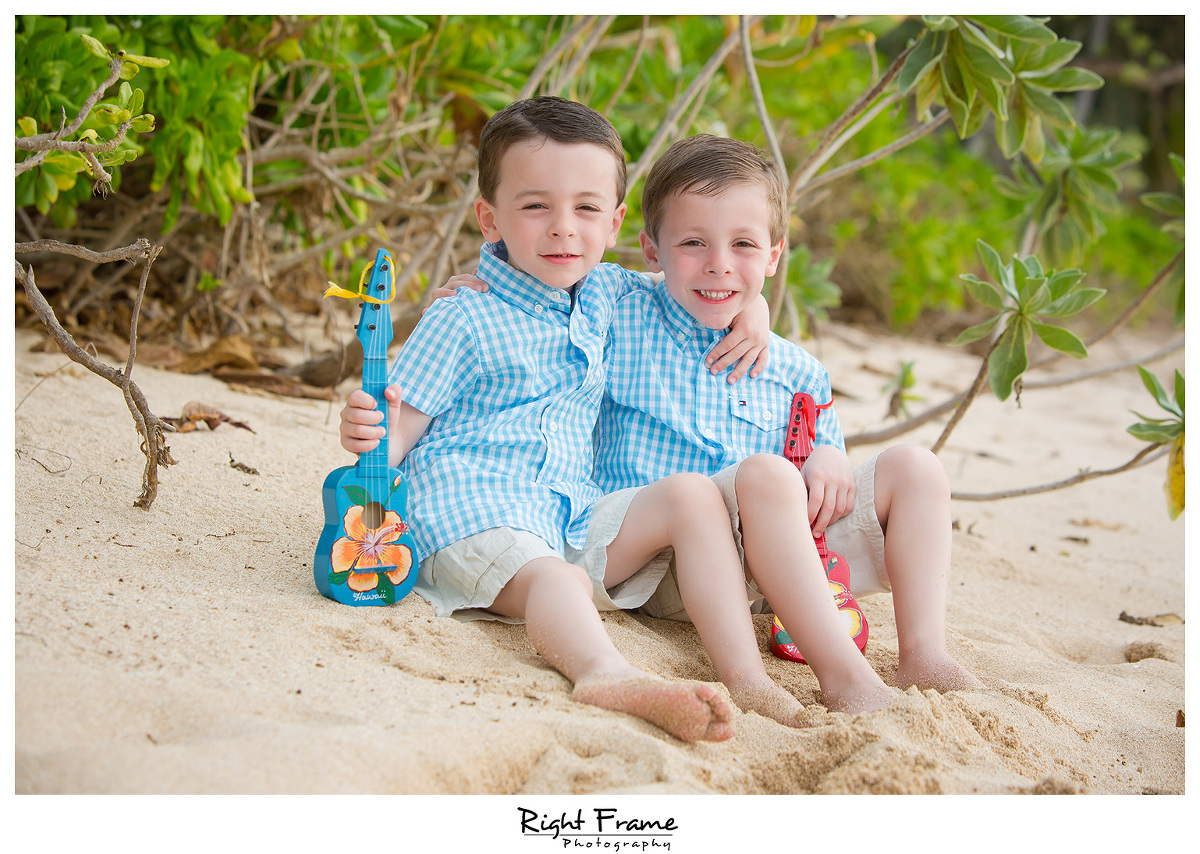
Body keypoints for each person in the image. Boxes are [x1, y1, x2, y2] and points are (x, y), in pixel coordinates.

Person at [338, 98, 772, 742]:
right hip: (474, 511)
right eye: (536, 206)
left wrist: (755, 308)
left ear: (618, 220)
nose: (564, 229)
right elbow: (398, 428)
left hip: (566, 514)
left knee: (690, 495)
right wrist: (370, 435)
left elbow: (704, 286)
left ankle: (747, 673)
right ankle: (602, 671)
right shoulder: (464, 314)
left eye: (587, 209)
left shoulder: (605, 294)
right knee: (555, 577)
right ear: (491, 218)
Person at [589, 134, 980, 704]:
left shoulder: (798, 370)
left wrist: (829, 457)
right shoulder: (619, 310)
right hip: (670, 564)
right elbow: (555, 270)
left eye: (743, 245)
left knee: (916, 468)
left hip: (781, 572)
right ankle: (844, 678)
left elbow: (824, 452)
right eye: (693, 242)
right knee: (768, 473)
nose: (718, 264)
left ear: (774, 255)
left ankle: (924, 654)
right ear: (652, 250)